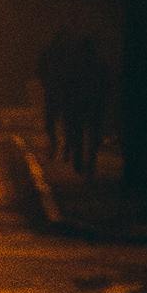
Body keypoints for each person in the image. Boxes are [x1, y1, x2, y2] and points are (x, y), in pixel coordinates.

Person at [37, 28, 111, 185]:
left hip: (78, 102)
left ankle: (77, 157)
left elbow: (66, 82)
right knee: (91, 133)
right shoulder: (98, 64)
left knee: (77, 131)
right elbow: (106, 84)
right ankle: (87, 161)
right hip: (92, 102)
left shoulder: (74, 64)